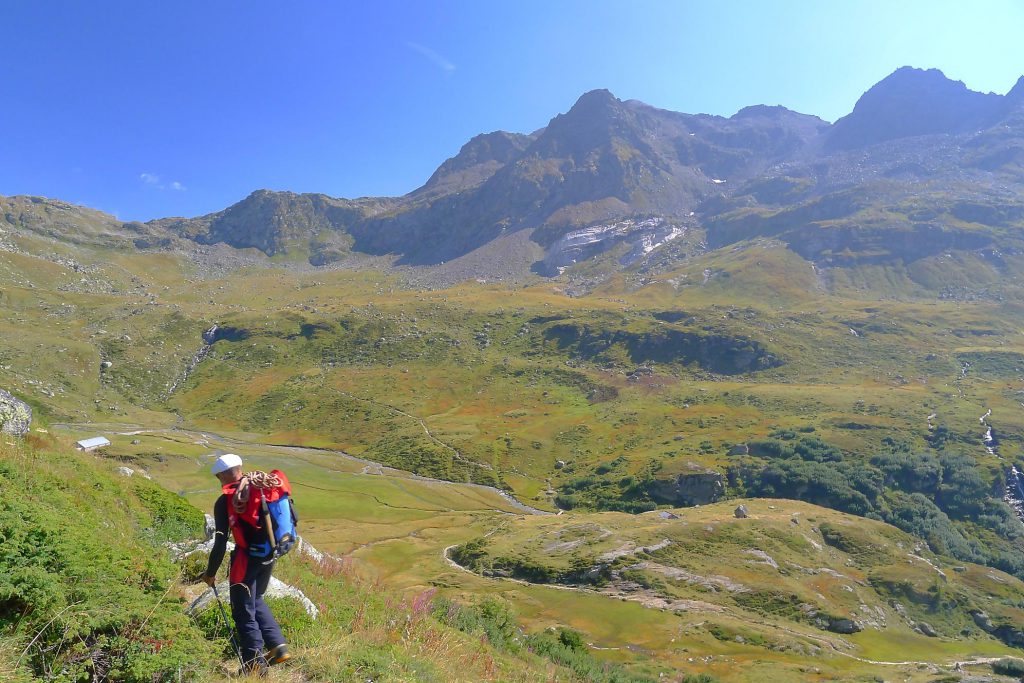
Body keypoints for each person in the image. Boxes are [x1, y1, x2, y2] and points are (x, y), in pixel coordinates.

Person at [201, 453, 290, 675]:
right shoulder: (262, 490)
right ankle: (278, 647)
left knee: (242, 610)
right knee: (256, 598)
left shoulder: (225, 501)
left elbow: (220, 542)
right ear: (240, 468)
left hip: (245, 560)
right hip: (269, 554)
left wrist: (210, 573)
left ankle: (254, 665)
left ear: (221, 475)